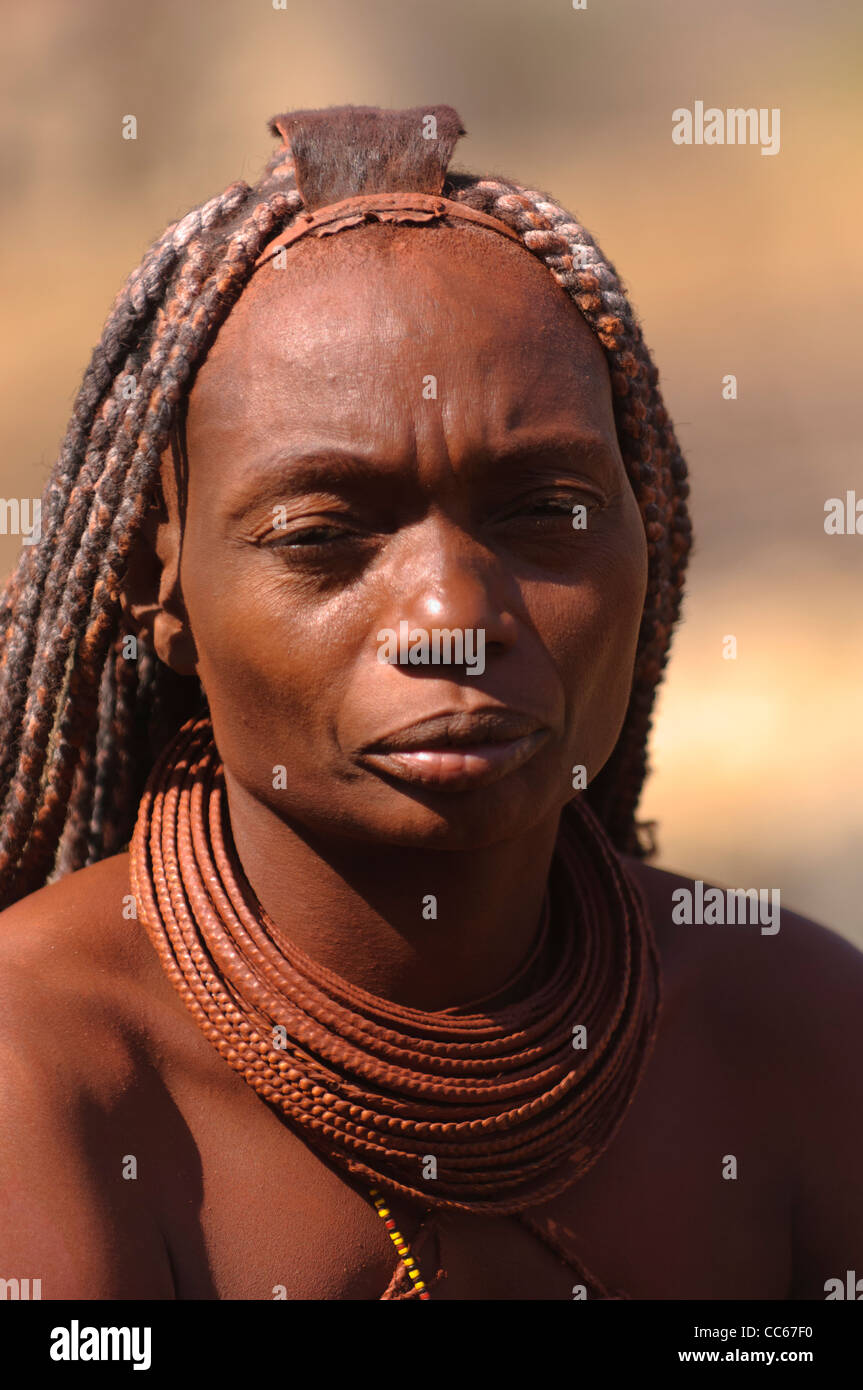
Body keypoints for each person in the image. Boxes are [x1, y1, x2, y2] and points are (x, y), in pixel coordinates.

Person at [0, 104, 860, 1302]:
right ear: (162, 589)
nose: (452, 613)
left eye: (541, 513)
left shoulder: (798, 1024)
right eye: (324, 535)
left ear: (648, 531)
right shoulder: (43, 1070)